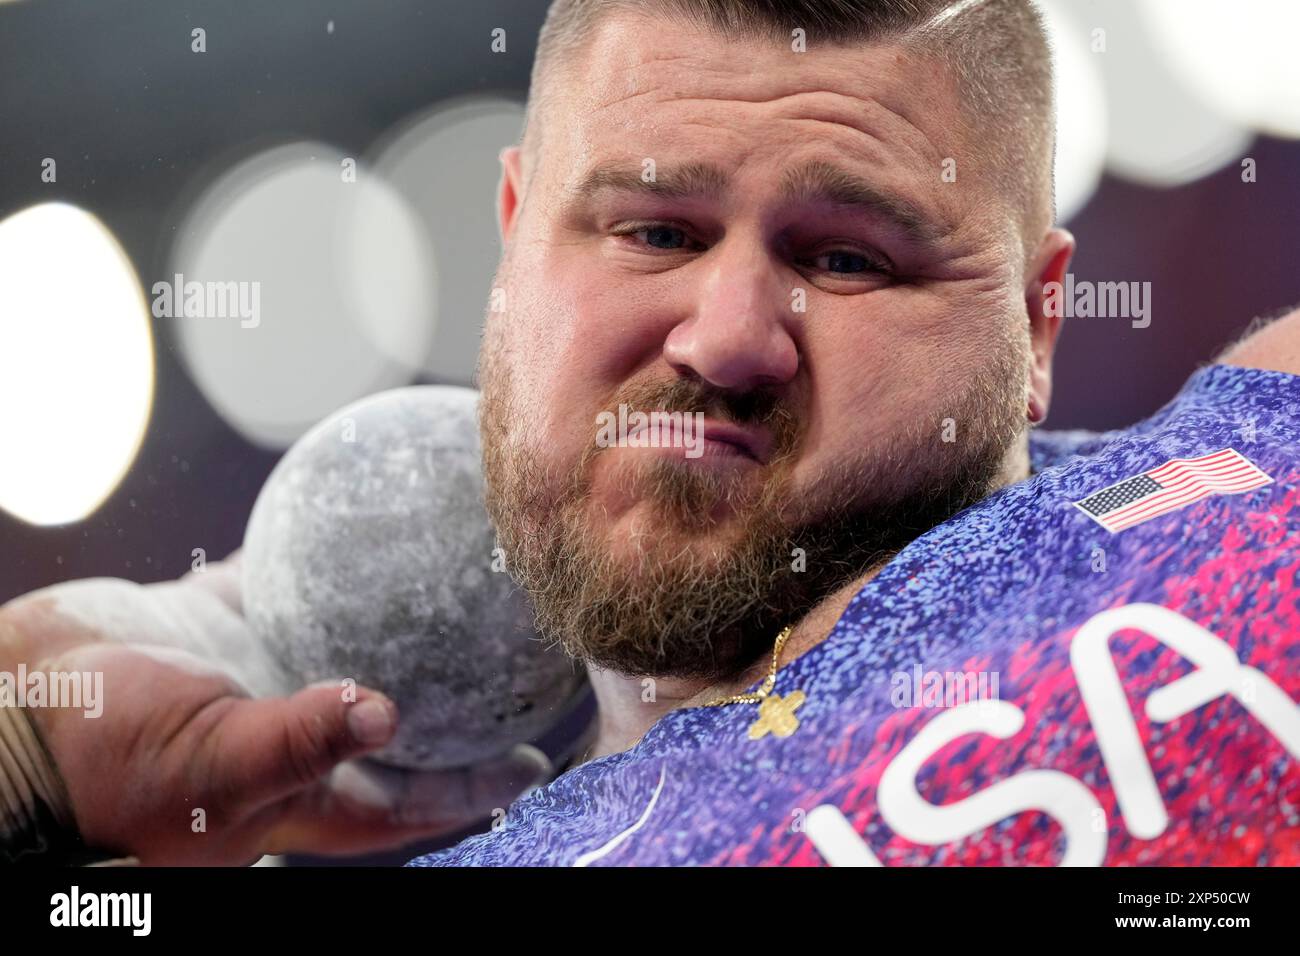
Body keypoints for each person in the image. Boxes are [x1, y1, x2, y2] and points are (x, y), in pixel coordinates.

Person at [2, 0, 1298, 867]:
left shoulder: (1252, 483)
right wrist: (25, 763)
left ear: (1037, 325)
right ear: (515, 245)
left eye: (847, 258)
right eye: (655, 234)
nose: (728, 336)